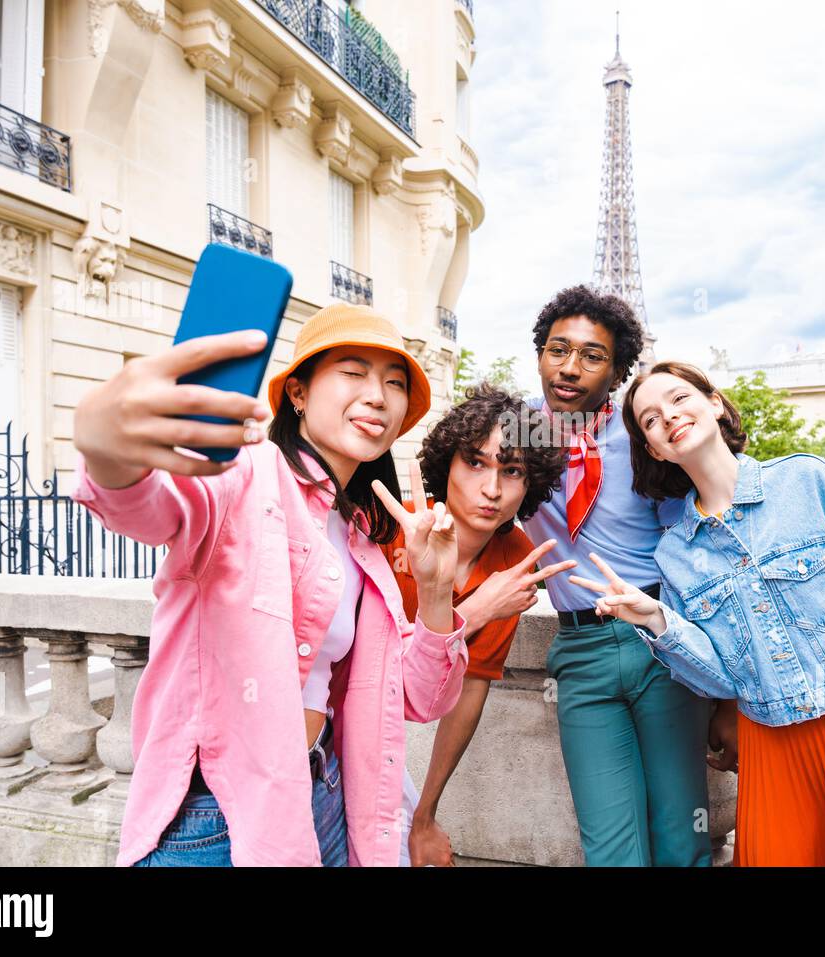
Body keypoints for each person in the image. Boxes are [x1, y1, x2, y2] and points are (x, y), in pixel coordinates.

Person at [70, 302, 468, 866]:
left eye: (395, 382)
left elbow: (419, 698)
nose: (378, 395)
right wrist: (107, 452)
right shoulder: (246, 471)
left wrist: (434, 590)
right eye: (353, 373)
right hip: (220, 820)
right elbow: (154, 507)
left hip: (324, 801)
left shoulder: (361, 536)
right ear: (299, 394)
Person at [573, 360, 825, 866]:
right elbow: (719, 681)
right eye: (649, 419)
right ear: (653, 449)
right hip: (771, 745)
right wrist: (655, 619)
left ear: (714, 403)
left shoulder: (809, 481)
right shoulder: (675, 555)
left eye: (678, 399)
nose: (667, 416)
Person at [519, 286, 735, 867]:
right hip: (580, 648)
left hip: (661, 639)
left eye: (592, 356)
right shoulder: (513, 435)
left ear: (616, 371)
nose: (569, 367)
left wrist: (726, 689)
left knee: (681, 834)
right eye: (557, 349)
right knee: (609, 848)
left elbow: (700, 539)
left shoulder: (646, 434)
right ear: (539, 353)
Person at [382, 383, 573, 866]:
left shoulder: (512, 557)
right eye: (475, 462)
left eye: (512, 471)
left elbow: (470, 688)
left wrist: (425, 816)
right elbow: (370, 675)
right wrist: (478, 610)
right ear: (446, 463)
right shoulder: (390, 531)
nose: (492, 490)